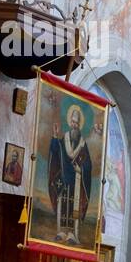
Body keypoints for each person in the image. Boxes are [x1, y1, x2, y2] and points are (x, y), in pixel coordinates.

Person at [48, 103, 93, 244]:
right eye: (72, 122)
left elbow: (88, 163)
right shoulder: (65, 138)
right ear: (70, 122)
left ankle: (73, 234)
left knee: (74, 205)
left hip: (77, 180)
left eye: (76, 123)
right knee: (63, 203)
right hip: (64, 178)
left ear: (79, 125)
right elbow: (56, 153)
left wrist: (82, 169)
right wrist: (55, 136)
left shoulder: (83, 143)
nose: (74, 125)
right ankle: (61, 231)